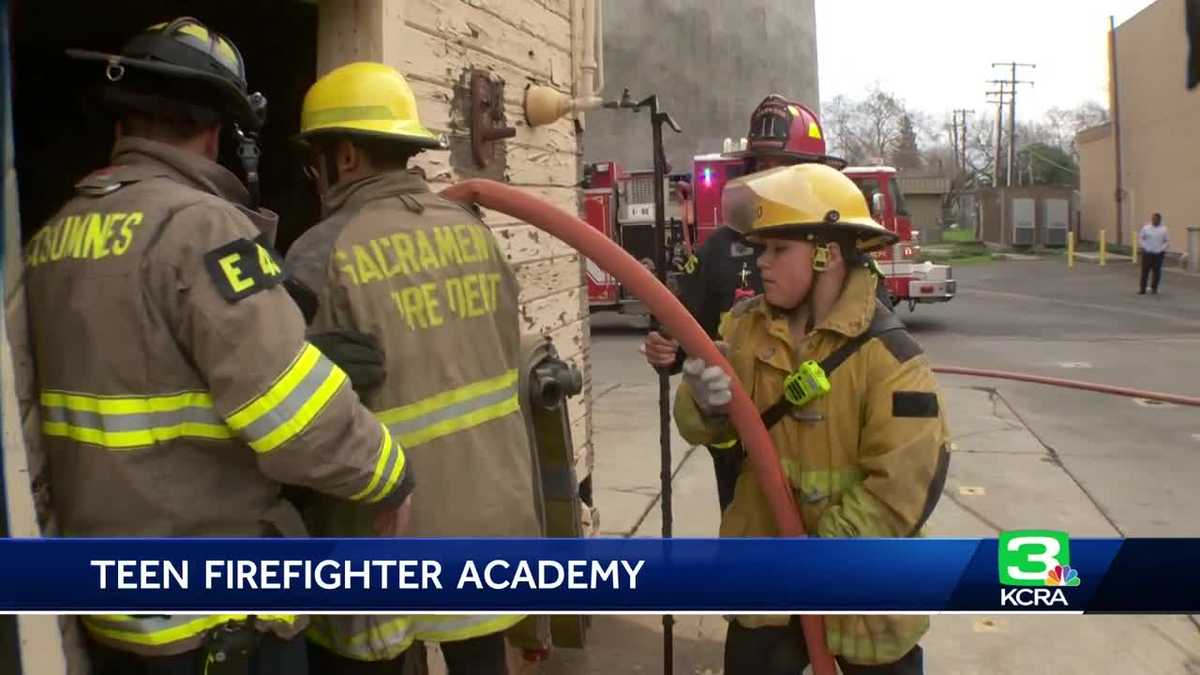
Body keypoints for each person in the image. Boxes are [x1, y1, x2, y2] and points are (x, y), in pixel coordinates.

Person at [19, 19, 414, 674]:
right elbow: (292, 417)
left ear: (121, 129)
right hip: (218, 615)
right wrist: (388, 474)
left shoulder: (50, 238)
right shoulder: (200, 228)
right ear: (214, 134)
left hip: (106, 608)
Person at [284, 62, 539, 675]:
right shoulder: (475, 233)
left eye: (312, 163)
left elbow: (293, 412)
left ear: (343, 157)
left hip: (387, 534)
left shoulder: (320, 252)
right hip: (493, 519)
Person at [673, 163, 950, 675]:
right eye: (760, 249)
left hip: (864, 602)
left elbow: (900, 494)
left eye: (779, 250)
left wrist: (815, 560)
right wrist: (704, 403)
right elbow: (704, 430)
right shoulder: (747, 331)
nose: (762, 264)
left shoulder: (891, 360)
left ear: (827, 254)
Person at [642, 95, 885, 513]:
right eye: (760, 169)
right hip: (741, 463)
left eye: (783, 170)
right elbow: (687, 339)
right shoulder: (719, 249)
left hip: (828, 465)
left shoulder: (845, 258)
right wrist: (667, 354)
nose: (770, 181)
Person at [1138, 213, 1169, 295]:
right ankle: (1142, 289)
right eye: (1153, 219)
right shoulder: (1146, 228)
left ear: (1159, 220)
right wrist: (1144, 247)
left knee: (1157, 272)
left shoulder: (1164, 229)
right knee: (1145, 272)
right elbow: (1141, 238)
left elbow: (1167, 241)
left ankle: (1154, 288)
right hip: (1147, 253)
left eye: (1156, 219)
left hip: (1158, 254)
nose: (1154, 220)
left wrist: (1161, 249)